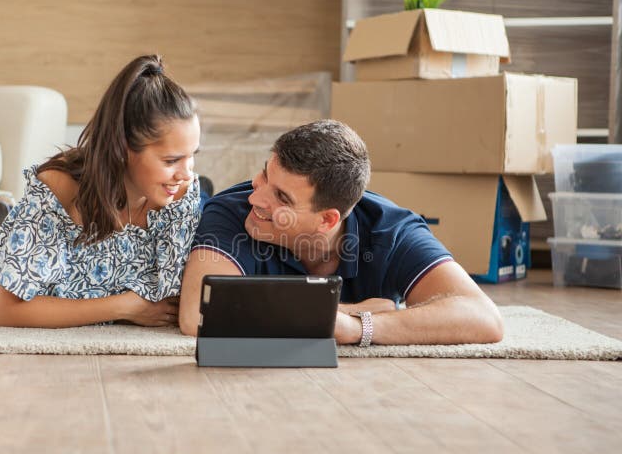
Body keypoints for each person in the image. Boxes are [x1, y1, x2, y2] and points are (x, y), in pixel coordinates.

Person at [179, 119, 503, 345]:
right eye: (265, 175)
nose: (256, 197)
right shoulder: (235, 212)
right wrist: (337, 311)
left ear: (327, 220)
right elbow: (198, 315)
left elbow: (483, 318)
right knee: (194, 202)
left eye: (282, 197)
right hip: (197, 209)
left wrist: (355, 327)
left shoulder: (391, 230)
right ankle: (201, 188)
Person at [0, 54, 202, 329]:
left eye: (192, 156)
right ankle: (0, 220)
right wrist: (125, 307)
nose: (186, 173)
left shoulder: (183, 194)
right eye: (171, 160)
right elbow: (7, 312)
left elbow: (177, 301)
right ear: (123, 149)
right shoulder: (60, 189)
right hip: (38, 258)